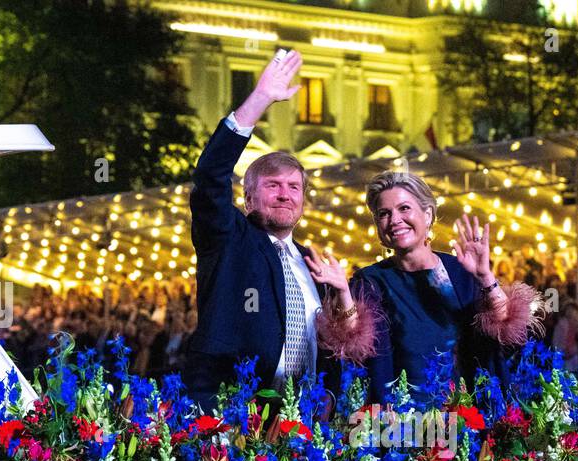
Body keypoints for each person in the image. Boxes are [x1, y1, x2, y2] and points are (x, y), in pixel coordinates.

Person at [182, 50, 355, 409]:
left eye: (294, 187)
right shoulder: (228, 237)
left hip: (300, 415)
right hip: (234, 408)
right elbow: (210, 177)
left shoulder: (311, 262)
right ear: (247, 199)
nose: (284, 195)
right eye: (272, 185)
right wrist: (260, 99)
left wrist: (342, 298)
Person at [327, 170, 540, 405]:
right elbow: (356, 346)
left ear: (427, 215)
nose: (395, 220)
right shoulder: (370, 280)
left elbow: (506, 335)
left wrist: (486, 276)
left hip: (468, 413)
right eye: (384, 214)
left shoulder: (460, 270)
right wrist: (343, 293)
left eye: (404, 208)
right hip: (403, 421)